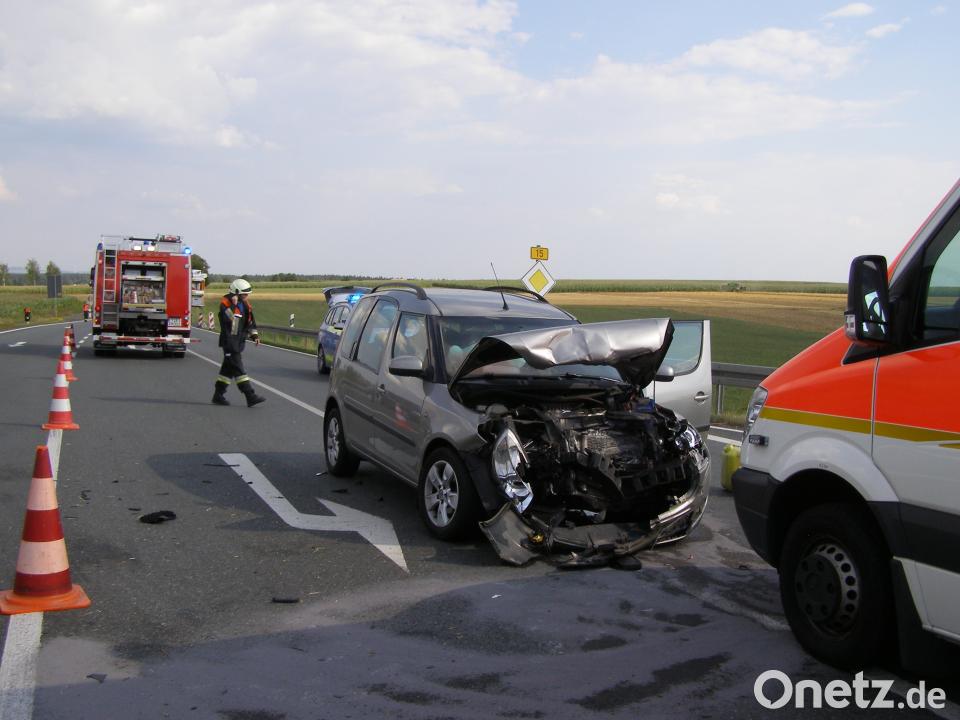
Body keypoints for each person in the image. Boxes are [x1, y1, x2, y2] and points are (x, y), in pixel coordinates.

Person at [212, 278, 266, 407]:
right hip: (229, 342)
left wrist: (255, 335)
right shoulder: (225, 304)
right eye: (244, 294)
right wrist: (234, 305)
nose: (247, 297)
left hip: (239, 342)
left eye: (247, 294)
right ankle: (250, 395)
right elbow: (233, 322)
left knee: (227, 371)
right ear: (235, 293)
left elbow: (250, 322)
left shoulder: (246, 304)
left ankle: (218, 395)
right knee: (238, 369)